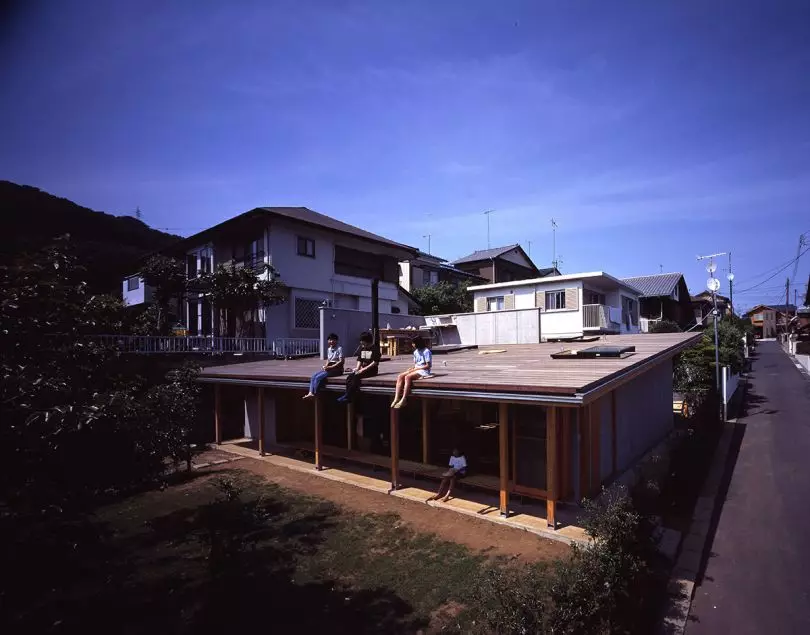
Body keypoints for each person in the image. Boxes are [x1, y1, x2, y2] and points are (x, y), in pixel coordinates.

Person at [337, 331, 380, 403]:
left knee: (356, 377)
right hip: (362, 369)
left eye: (363, 342)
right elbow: (360, 359)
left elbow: (375, 362)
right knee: (349, 377)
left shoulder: (375, 349)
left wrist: (363, 370)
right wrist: (357, 368)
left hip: (371, 370)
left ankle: (349, 396)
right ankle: (347, 394)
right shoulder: (362, 349)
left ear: (368, 341)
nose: (362, 344)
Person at [391, 335, 433, 408]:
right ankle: (396, 398)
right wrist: (412, 368)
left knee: (407, 377)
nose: (412, 345)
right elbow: (416, 364)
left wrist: (416, 369)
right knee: (400, 376)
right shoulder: (416, 352)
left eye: (413, 343)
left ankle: (404, 399)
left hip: (424, 370)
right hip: (417, 369)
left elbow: (428, 366)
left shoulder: (426, 351)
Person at [303, 333, 344, 399]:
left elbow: (341, 361)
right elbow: (328, 359)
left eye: (333, 340)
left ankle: (315, 394)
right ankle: (310, 392)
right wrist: (325, 366)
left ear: (336, 340)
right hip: (330, 367)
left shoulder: (339, 348)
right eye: (330, 340)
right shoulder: (329, 349)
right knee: (314, 376)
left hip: (337, 368)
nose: (331, 341)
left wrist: (330, 367)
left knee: (318, 377)